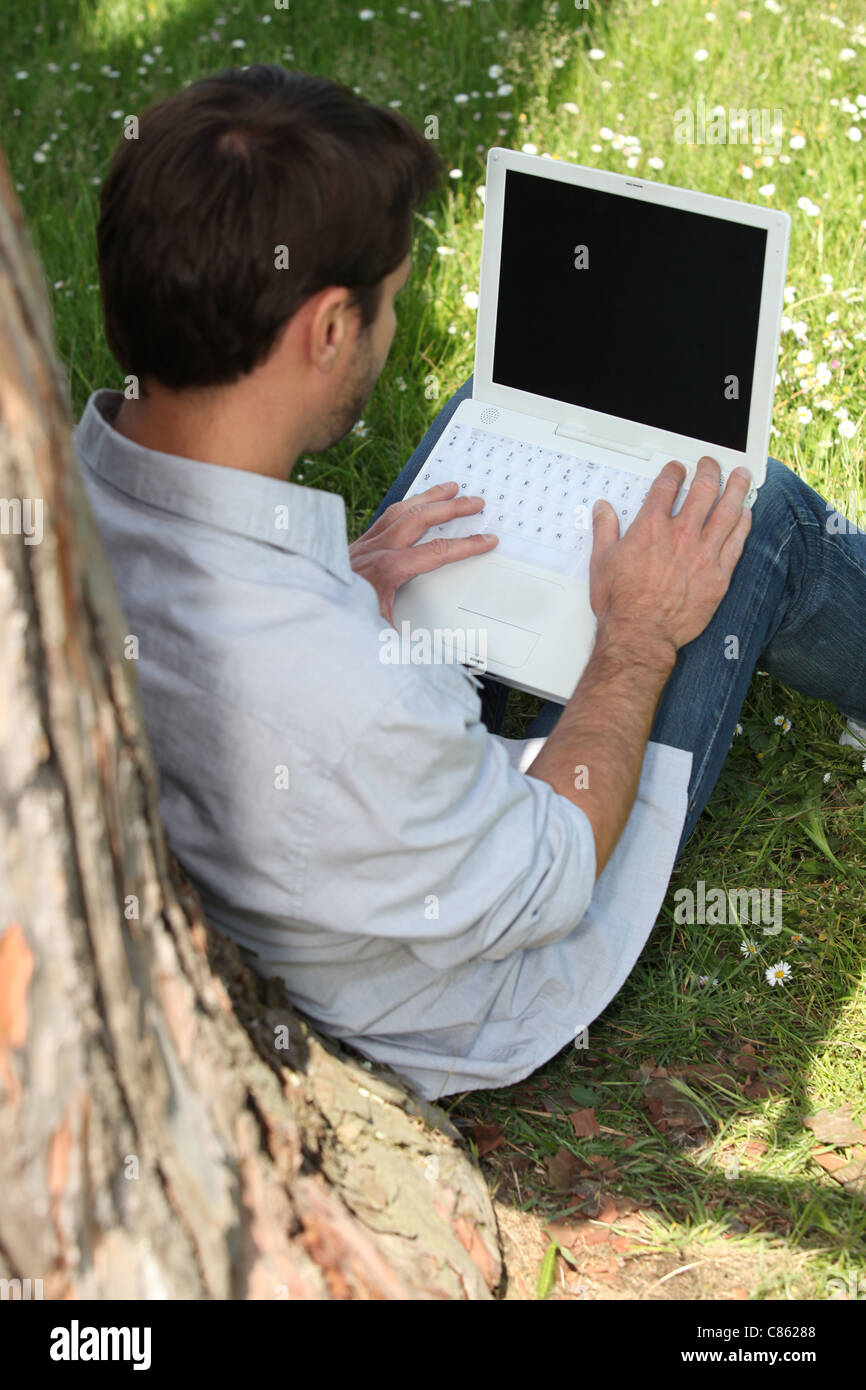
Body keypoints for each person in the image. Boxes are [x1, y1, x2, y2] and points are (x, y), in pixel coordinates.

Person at [74, 64, 866, 1102]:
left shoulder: (63, 507)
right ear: (325, 330)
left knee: (474, 421)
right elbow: (549, 867)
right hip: (462, 988)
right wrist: (633, 636)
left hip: (339, 852)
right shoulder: (355, 691)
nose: (393, 328)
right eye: (391, 302)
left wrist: (337, 583)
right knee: (751, 512)